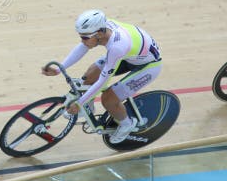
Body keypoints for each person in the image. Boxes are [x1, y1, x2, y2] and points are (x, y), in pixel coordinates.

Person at [41, 9, 163, 144]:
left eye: (85, 37)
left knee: (108, 99)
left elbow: (102, 82)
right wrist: (59, 69)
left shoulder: (117, 47)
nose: (82, 40)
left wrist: (79, 104)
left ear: (99, 33)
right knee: (89, 76)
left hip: (148, 66)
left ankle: (127, 124)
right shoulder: (103, 28)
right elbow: (83, 47)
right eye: (81, 36)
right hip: (131, 55)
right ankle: (89, 106)